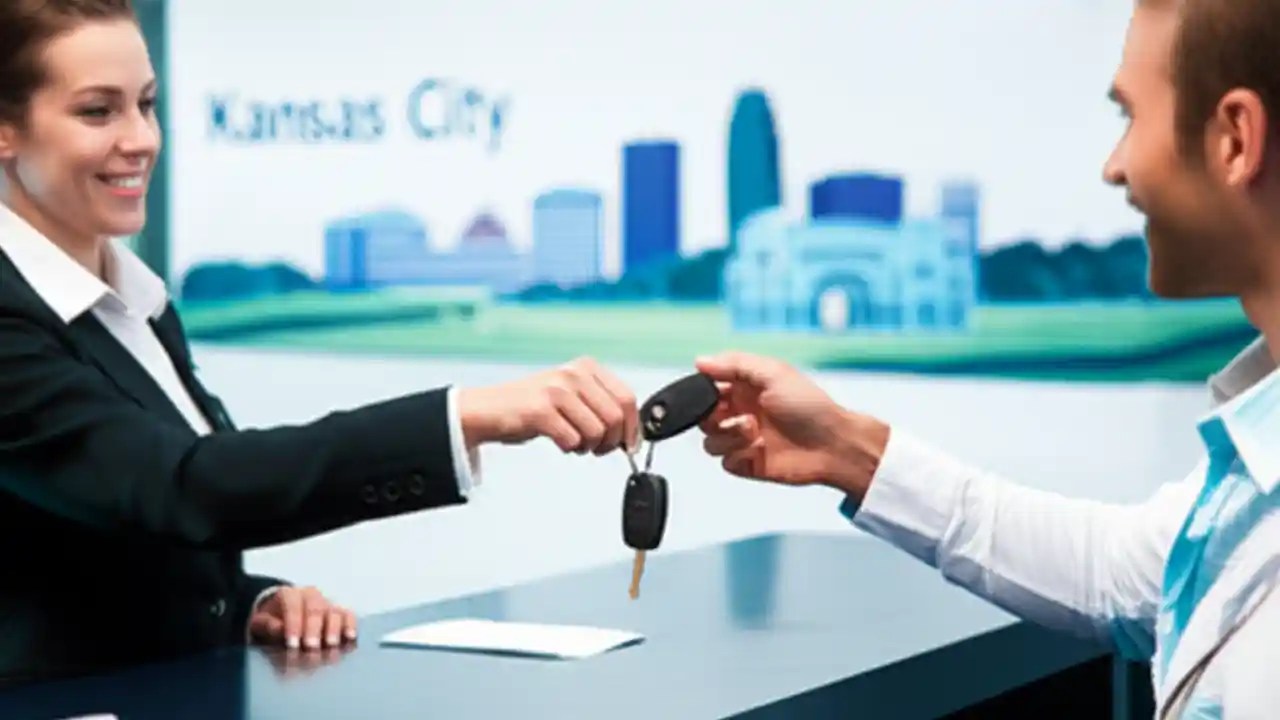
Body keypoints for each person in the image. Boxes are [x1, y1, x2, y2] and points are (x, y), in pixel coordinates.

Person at [0, 0, 639, 686]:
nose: (141, 139)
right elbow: (182, 487)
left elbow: (116, 533)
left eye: (147, 105)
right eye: (98, 111)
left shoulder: (132, 301)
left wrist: (251, 601)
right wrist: (468, 415)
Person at [697, 0, 1280, 716]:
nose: (1115, 165)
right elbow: (1120, 575)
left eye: (1130, 116)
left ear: (1234, 140)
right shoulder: (1252, 472)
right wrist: (848, 450)